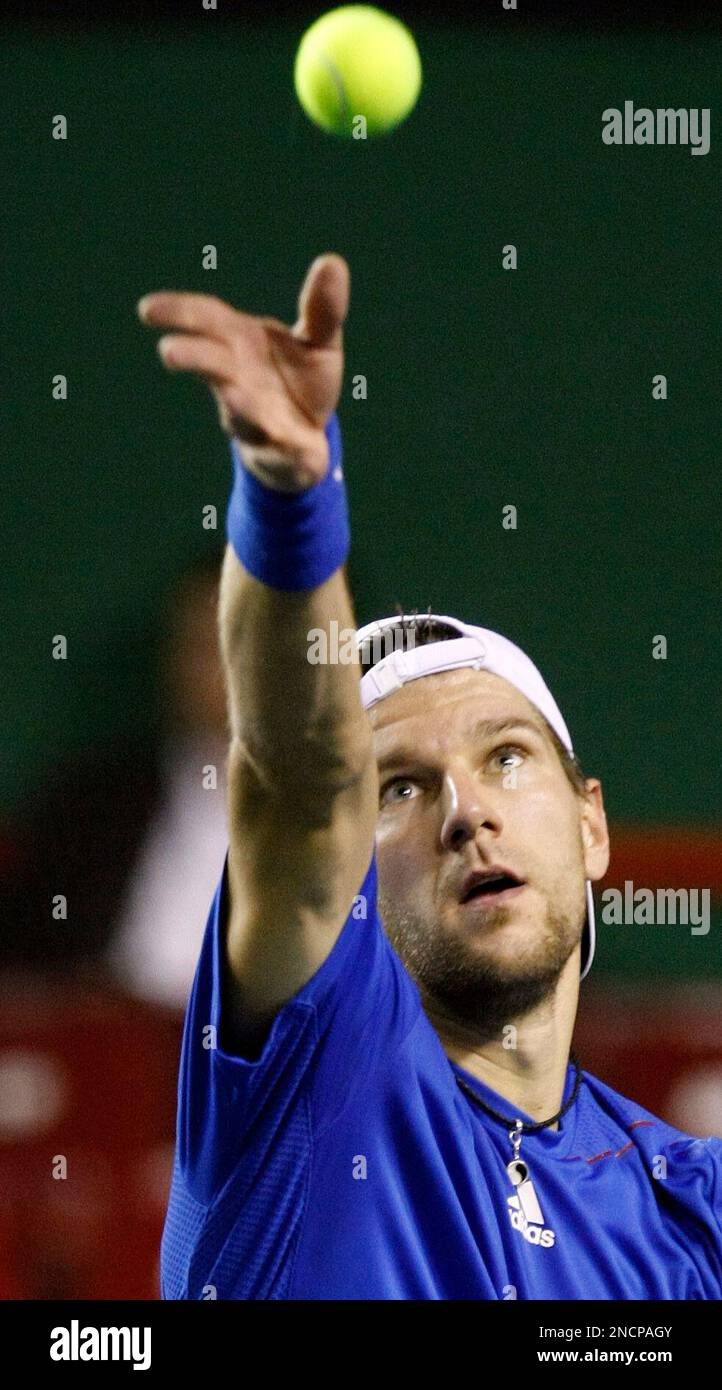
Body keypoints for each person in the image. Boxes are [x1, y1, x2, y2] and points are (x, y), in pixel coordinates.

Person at [137, 254, 722, 1299]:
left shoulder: (691, 1207)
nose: (465, 813)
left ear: (591, 827)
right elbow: (296, 776)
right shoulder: (304, 1093)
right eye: (397, 788)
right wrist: (288, 505)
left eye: (504, 757)